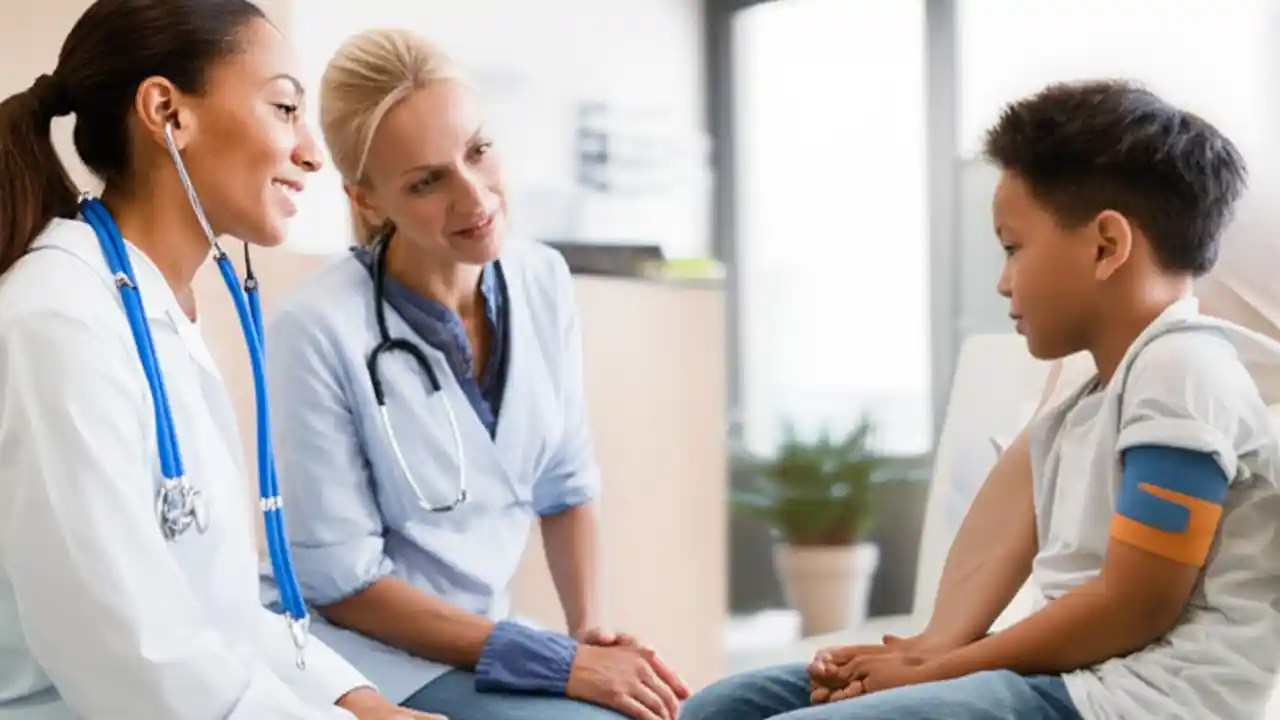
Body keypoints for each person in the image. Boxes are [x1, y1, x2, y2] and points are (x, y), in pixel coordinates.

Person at [682, 80, 1280, 720]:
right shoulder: (1089, 398)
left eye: (1013, 247)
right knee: (725, 707)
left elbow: (1133, 607)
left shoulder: (1183, 367)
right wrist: (918, 656)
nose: (1002, 281)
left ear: (1107, 245)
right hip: (1082, 679)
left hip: (1144, 700)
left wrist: (937, 672)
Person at [0, 2, 444, 718]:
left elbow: (218, 618)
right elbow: (131, 656)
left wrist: (368, 707)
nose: (310, 153)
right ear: (167, 113)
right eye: (283, 108)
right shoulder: (57, 320)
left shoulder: (154, 311)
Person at [263, 28, 689, 720]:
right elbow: (341, 583)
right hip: (366, 661)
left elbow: (566, 484)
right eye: (428, 181)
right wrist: (553, 661)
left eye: (478, 152)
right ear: (367, 198)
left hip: (489, 640)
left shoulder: (541, 277)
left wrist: (587, 631)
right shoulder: (314, 328)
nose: (475, 198)